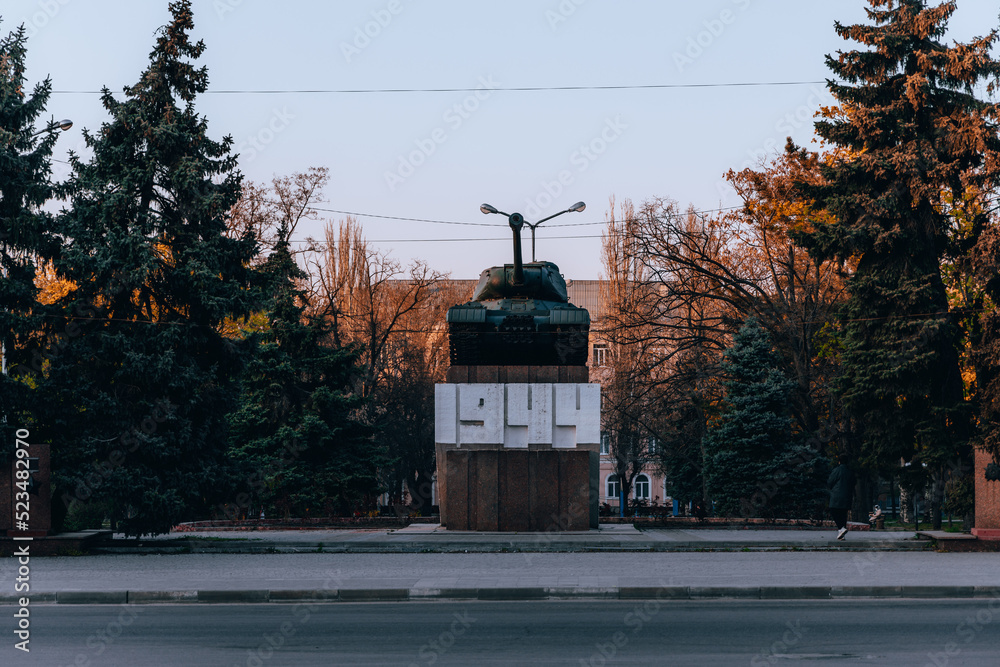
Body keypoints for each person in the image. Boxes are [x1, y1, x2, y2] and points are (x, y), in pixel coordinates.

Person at [827, 454, 856, 540]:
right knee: (843, 514)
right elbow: (854, 482)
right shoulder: (850, 471)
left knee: (833, 511)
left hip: (837, 495)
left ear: (839, 461)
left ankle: (841, 529)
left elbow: (830, 482)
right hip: (847, 495)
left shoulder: (837, 470)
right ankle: (841, 534)